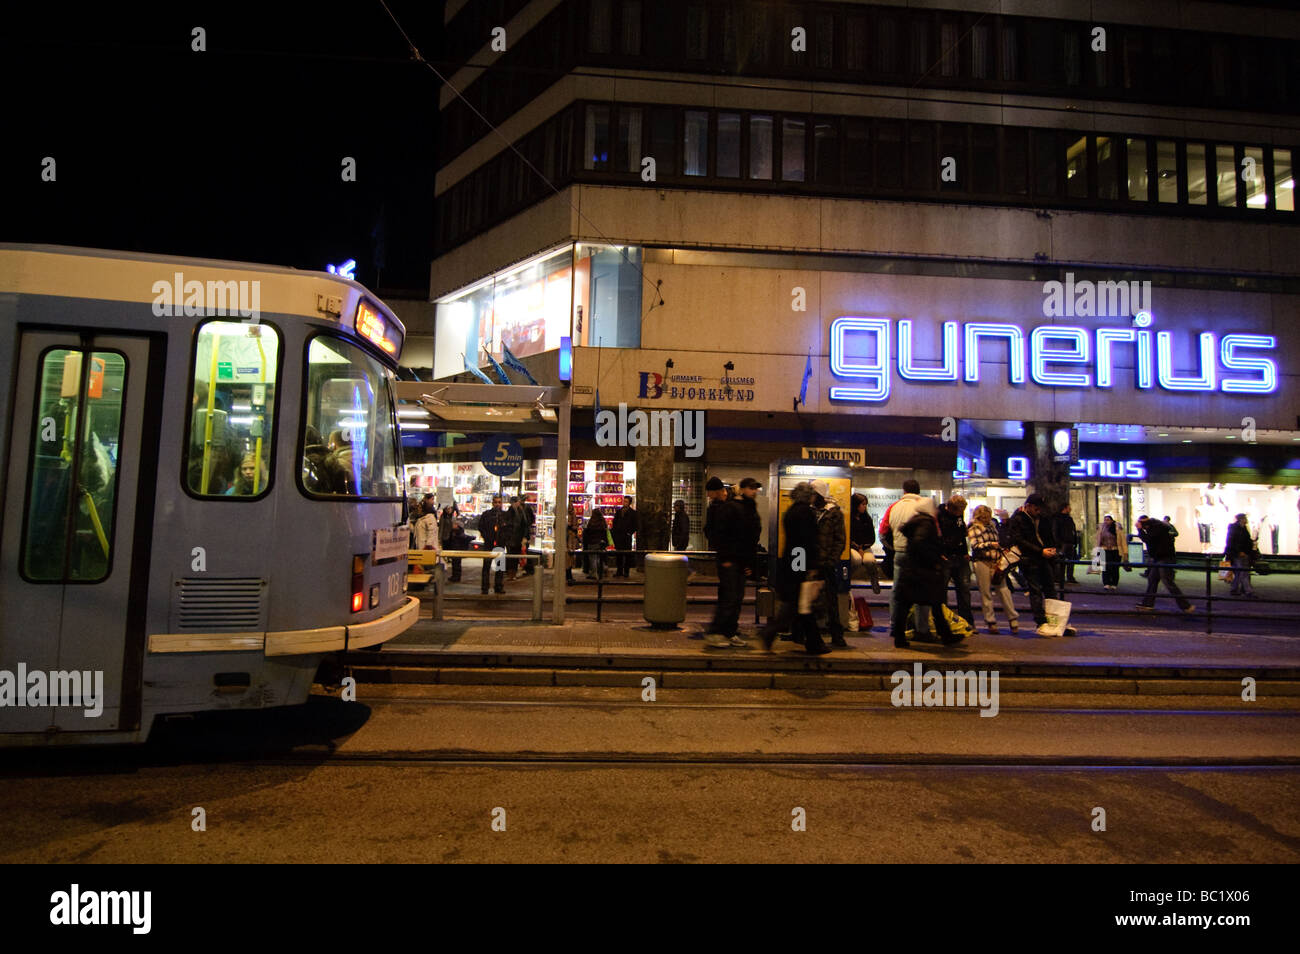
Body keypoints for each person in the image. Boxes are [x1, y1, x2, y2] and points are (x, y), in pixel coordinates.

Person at [760, 482, 828, 655]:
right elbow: (806, 541)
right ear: (808, 496)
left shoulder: (791, 512)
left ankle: (814, 643)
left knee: (800, 606)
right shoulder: (805, 513)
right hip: (799, 563)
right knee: (799, 604)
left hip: (792, 561)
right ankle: (771, 632)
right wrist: (808, 567)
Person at [892, 509, 960, 649]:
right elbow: (920, 543)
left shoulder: (916, 522)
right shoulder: (926, 523)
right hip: (922, 572)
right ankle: (945, 636)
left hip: (912, 570)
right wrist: (935, 559)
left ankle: (899, 636)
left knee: (905, 605)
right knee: (935, 603)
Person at [887, 479, 939, 638]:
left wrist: (893, 547)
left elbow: (883, 532)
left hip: (898, 552)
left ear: (903, 490)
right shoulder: (923, 507)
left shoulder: (893, 507)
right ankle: (921, 628)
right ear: (919, 490)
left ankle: (895, 626)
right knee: (921, 593)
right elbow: (934, 534)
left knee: (898, 591)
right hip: (917, 556)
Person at [702, 477, 748, 648]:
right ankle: (718, 632)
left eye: (709, 492)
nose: (708, 495)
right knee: (729, 596)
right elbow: (716, 532)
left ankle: (729, 631)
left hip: (735, 557)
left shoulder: (729, 505)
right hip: (728, 558)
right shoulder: (717, 507)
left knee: (734, 597)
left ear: (716, 491)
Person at [1007, 494, 1061, 637]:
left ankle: (1054, 621)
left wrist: (1052, 548)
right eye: (1036, 509)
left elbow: (1048, 535)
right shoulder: (1018, 519)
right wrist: (1040, 551)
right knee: (1035, 590)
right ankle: (1041, 622)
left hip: (1043, 557)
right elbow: (1019, 540)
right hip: (1029, 559)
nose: (1039, 511)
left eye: (1040, 509)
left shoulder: (1042, 519)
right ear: (1029, 506)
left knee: (1050, 589)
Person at [969, 505, 1018, 633]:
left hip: (995, 561)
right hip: (982, 562)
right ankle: (991, 621)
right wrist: (991, 544)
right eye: (984, 517)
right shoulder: (974, 528)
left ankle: (1013, 618)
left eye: (988, 516)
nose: (986, 519)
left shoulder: (992, 527)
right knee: (986, 593)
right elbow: (975, 545)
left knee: (1004, 591)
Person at [811, 479, 848, 648]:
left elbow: (840, 540)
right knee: (808, 598)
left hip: (826, 563)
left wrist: (832, 560)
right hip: (811, 562)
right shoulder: (810, 511)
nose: (811, 497)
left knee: (831, 600)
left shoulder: (834, 513)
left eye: (814, 494)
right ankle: (805, 633)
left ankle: (836, 635)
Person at [1135, 514, 1194, 613]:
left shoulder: (1156, 529)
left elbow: (1148, 540)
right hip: (1160, 557)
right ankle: (1148, 604)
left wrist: (1140, 530)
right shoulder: (1157, 526)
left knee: (1167, 581)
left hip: (1164, 558)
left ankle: (1186, 606)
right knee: (1152, 579)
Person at [477, 495, 511, 594]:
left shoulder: (505, 515)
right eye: (496, 502)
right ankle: (485, 587)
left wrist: (504, 538)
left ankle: (499, 586)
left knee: (500, 567)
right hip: (489, 543)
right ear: (492, 503)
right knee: (486, 566)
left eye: (499, 502)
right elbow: (481, 526)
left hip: (500, 543)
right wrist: (486, 536)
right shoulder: (486, 514)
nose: (497, 504)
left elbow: (509, 528)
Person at [849, 493, 882, 595]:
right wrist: (857, 547)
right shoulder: (849, 518)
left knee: (870, 561)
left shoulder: (866, 518)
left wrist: (864, 546)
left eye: (865, 504)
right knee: (857, 560)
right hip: (852, 546)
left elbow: (872, 537)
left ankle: (874, 581)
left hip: (864, 546)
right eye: (862, 504)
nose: (864, 507)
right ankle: (847, 579)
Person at [1225, 512, 1257, 597]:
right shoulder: (1235, 528)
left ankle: (1234, 589)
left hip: (1241, 553)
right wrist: (1239, 551)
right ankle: (1248, 591)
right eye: (1245, 518)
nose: (1246, 520)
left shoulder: (1242, 528)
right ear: (1241, 519)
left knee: (1239, 572)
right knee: (1243, 572)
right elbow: (1232, 542)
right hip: (1237, 554)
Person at [737, 477, 763, 578]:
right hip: (739, 555)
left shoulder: (751, 505)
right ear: (742, 489)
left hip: (749, 551)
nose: (754, 491)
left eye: (755, 488)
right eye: (751, 488)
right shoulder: (737, 506)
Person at [1052, 503, 1080, 589]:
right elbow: (1055, 531)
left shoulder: (1068, 518)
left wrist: (1074, 541)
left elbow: (1073, 530)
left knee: (1069, 561)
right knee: (1062, 561)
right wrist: (1058, 542)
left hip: (1068, 542)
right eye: (1069, 507)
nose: (1070, 509)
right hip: (1063, 543)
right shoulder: (1059, 518)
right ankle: (1061, 577)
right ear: (1065, 508)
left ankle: (1068, 577)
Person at [611, 495, 638, 577]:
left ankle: (626, 572)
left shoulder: (633, 513)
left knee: (627, 555)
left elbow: (635, 525)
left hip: (626, 536)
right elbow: (615, 523)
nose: (624, 503)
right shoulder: (619, 512)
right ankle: (619, 571)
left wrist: (629, 533)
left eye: (626, 501)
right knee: (619, 554)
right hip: (619, 536)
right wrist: (614, 533)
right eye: (624, 501)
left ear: (629, 503)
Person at [583, 507, 609, 580]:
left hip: (592, 542)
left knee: (592, 558)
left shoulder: (592, 522)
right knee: (598, 557)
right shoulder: (602, 522)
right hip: (600, 543)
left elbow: (588, 531)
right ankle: (604, 567)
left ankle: (594, 573)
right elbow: (605, 531)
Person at [1096, 514, 1121, 591]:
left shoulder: (1117, 528)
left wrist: (1125, 552)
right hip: (1104, 549)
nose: (1106, 521)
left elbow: (1122, 540)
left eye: (1108, 520)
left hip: (1115, 550)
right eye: (1105, 520)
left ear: (1112, 520)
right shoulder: (1101, 528)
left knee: (1115, 568)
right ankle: (1106, 583)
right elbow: (1098, 540)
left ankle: (1114, 583)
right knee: (1105, 567)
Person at [439, 504, 463, 581]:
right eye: (447, 508)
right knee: (451, 558)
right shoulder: (444, 516)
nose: (448, 510)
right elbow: (441, 528)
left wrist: (457, 527)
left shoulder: (455, 516)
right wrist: (440, 539)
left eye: (450, 508)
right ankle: (453, 575)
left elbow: (461, 526)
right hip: (447, 539)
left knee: (456, 559)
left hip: (456, 540)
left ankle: (456, 575)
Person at [565, 503, 582, 583]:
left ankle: (568, 575)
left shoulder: (570, 515)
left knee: (570, 558)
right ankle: (568, 575)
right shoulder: (568, 515)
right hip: (568, 540)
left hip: (570, 540)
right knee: (568, 558)